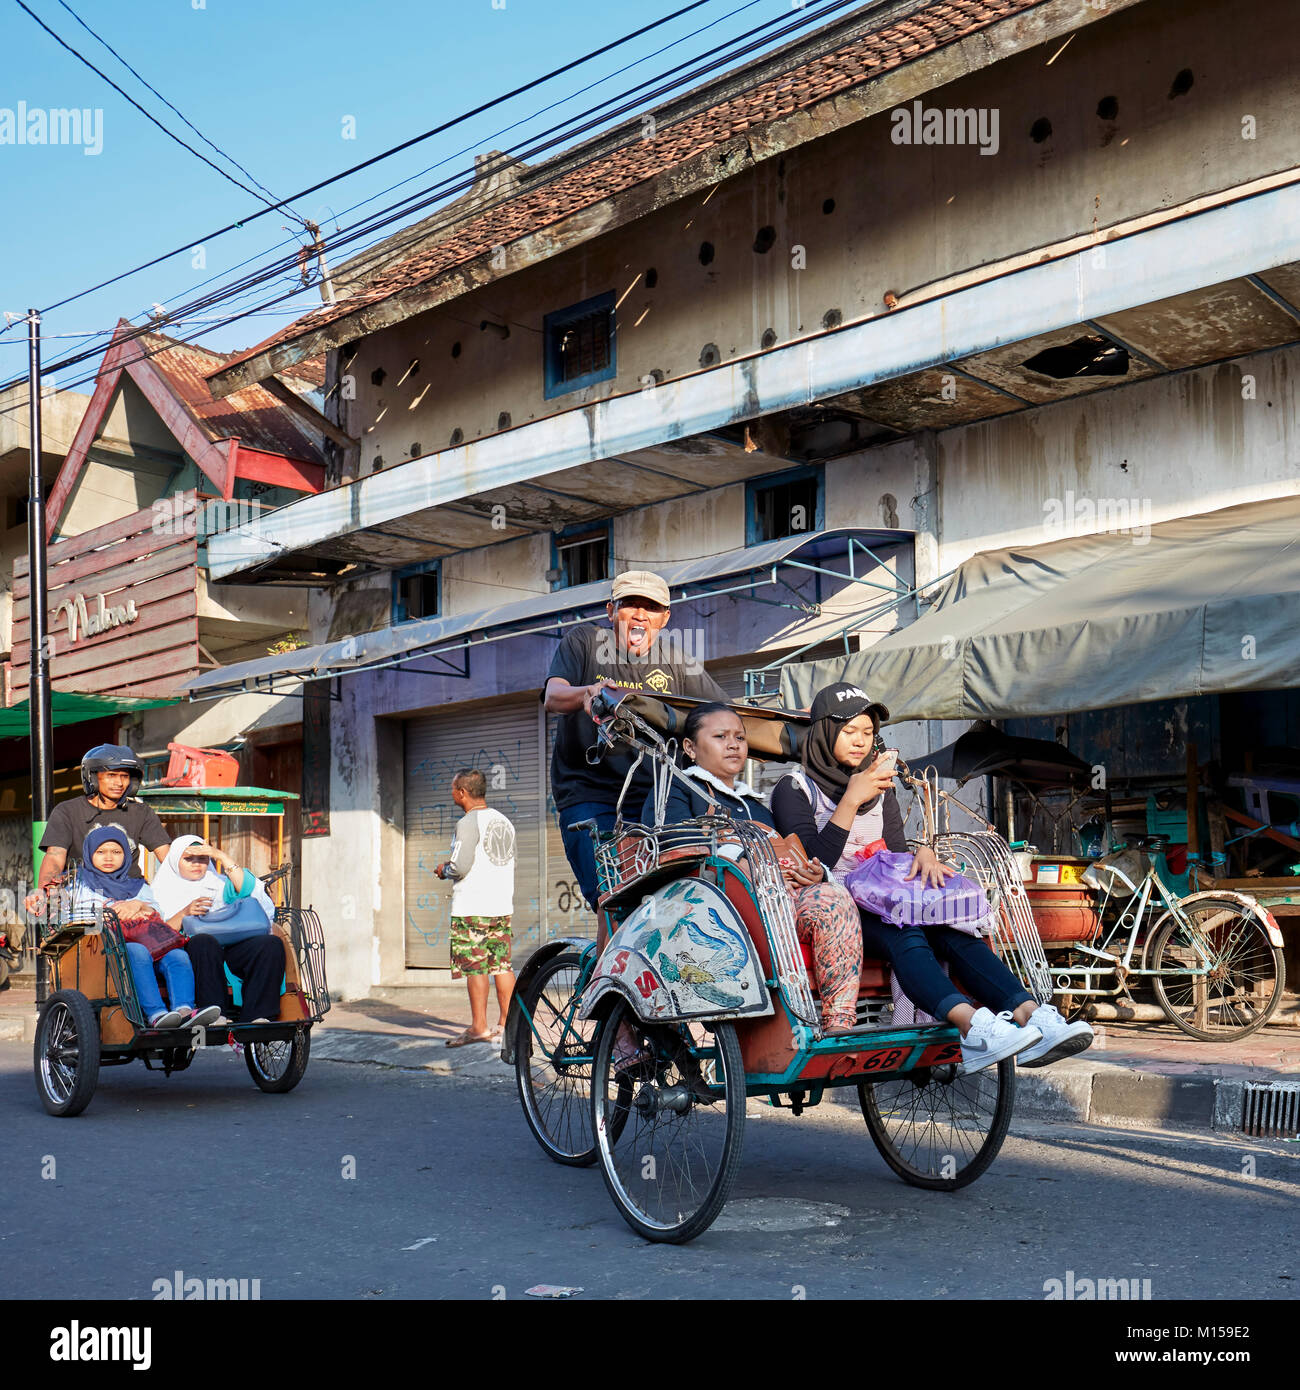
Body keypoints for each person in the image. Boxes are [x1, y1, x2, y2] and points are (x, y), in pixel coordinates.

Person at [771, 681, 1095, 1072]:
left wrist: (920, 854)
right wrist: (851, 800)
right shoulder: (794, 788)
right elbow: (813, 863)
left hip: (887, 898)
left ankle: (1032, 1013)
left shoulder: (881, 789)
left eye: (868, 732)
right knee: (906, 931)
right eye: (848, 731)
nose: (860, 741)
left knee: (951, 929)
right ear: (823, 731)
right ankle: (973, 1026)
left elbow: (894, 856)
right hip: (836, 910)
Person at [644, 703, 865, 1034]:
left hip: (777, 902)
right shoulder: (676, 790)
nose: (733, 745)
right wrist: (740, 857)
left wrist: (811, 874)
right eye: (720, 736)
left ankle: (839, 1025)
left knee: (833, 897)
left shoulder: (755, 806)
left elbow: (784, 855)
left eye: (740, 737)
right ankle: (799, 1021)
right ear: (689, 748)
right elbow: (673, 852)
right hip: (716, 913)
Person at [544, 569, 729, 911]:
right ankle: (608, 965)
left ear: (665, 618)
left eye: (652, 607)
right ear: (612, 611)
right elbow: (553, 695)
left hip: (653, 800)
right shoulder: (584, 641)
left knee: (676, 899)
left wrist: (789, 716)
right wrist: (588, 692)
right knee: (613, 898)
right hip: (589, 795)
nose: (641, 614)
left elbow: (724, 712)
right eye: (630, 604)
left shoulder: (676, 661)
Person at [72, 826, 220, 1031]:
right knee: (136, 951)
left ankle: (184, 1010)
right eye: (101, 852)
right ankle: (156, 1014)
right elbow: (76, 918)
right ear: (89, 854)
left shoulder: (137, 885)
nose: (109, 858)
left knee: (177, 955)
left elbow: (156, 912)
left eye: (116, 852)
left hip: (148, 943)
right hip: (104, 950)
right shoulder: (80, 884)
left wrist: (138, 905)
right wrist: (113, 913)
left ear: (125, 855)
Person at [151, 836, 284, 1026]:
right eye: (188, 859)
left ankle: (258, 1016)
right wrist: (184, 913)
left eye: (203, 859)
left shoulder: (219, 883)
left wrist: (219, 855)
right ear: (174, 860)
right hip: (191, 952)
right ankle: (215, 1013)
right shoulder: (160, 891)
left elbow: (248, 889)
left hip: (230, 947)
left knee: (270, 944)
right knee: (203, 941)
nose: (196, 864)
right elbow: (156, 935)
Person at [25, 745, 170, 914]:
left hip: (131, 893)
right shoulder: (68, 811)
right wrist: (44, 891)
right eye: (111, 775)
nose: (119, 783)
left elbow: (167, 858)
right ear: (92, 777)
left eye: (125, 776)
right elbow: (55, 857)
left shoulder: (141, 812)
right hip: (82, 895)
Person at [435, 769, 517, 1047]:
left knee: (476, 967)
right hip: (500, 904)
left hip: (473, 907)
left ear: (462, 792)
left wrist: (443, 869)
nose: (452, 793)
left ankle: (479, 1027)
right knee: (501, 965)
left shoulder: (468, 823)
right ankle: (508, 1024)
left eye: (453, 788)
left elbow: (460, 866)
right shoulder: (504, 821)